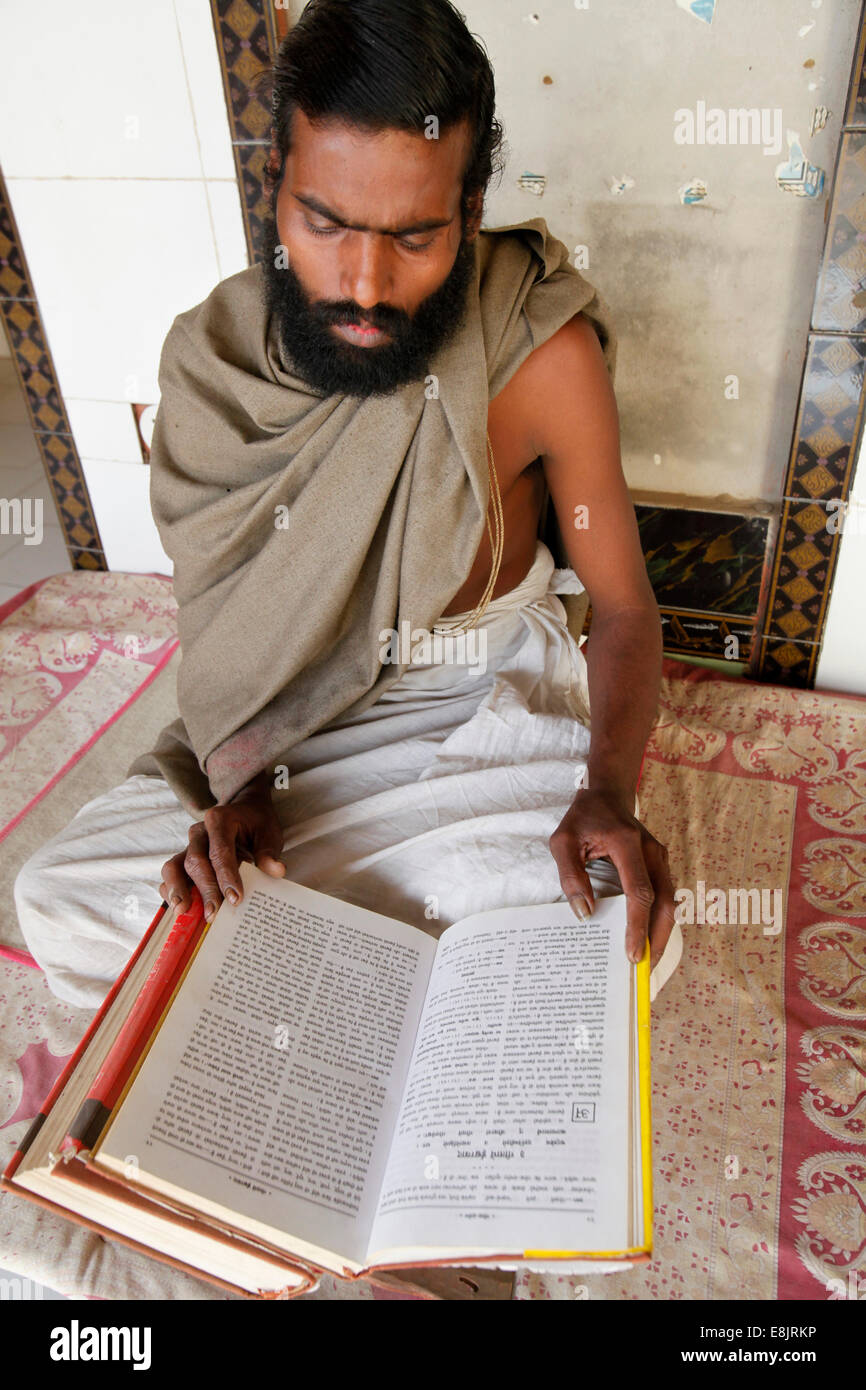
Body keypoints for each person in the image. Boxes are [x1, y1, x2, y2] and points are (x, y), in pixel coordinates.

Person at [14, 0, 679, 1012]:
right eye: (324, 223)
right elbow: (235, 639)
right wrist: (242, 790)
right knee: (63, 894)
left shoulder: (536, 353)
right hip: (291, 732)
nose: (364, 284)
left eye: (415, 235)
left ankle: (305, 992)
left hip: (471, 697)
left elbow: (623, 608)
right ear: (276, 184)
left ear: (469, 207)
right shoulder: (215, 364)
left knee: (601, 933)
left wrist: (607, 792)